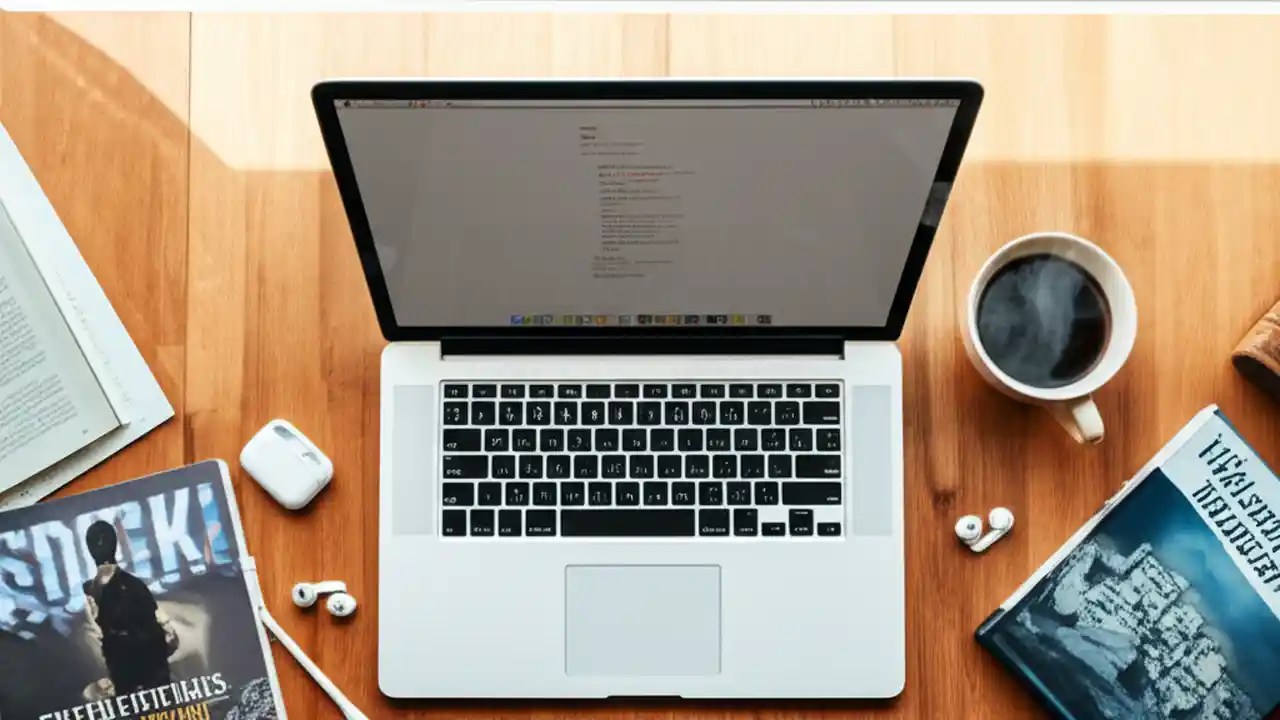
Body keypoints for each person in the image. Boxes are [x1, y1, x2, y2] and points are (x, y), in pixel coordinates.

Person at [82, 520, 177, 695]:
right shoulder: (136, 585)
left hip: (126, 667)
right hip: (149, 666)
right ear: (116, 545)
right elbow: (168, 635)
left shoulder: (91, 593)